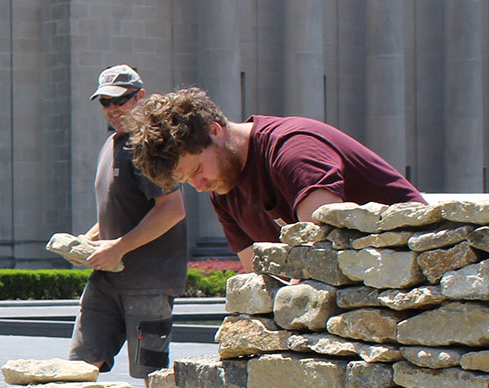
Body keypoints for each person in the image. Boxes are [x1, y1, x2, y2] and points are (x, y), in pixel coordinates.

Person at [123, 87, 424, 270]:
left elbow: (319, 252)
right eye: (188, 180)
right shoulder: (222, 192)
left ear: (215, 131)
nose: (200, 187)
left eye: (198, 170)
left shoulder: (293, 150)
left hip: (418, 273)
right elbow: (261, 276)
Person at [68, 65, 188, 380]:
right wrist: (89, 240)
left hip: (149, 284)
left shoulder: (151, 147)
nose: (113, 109)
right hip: (105, 280)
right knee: (78, 367)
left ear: (141, 97)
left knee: (152, 377)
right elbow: (118, 209)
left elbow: (172, 210)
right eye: (106, 102)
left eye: (121, 100)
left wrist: (119, 248)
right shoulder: (111, 146)